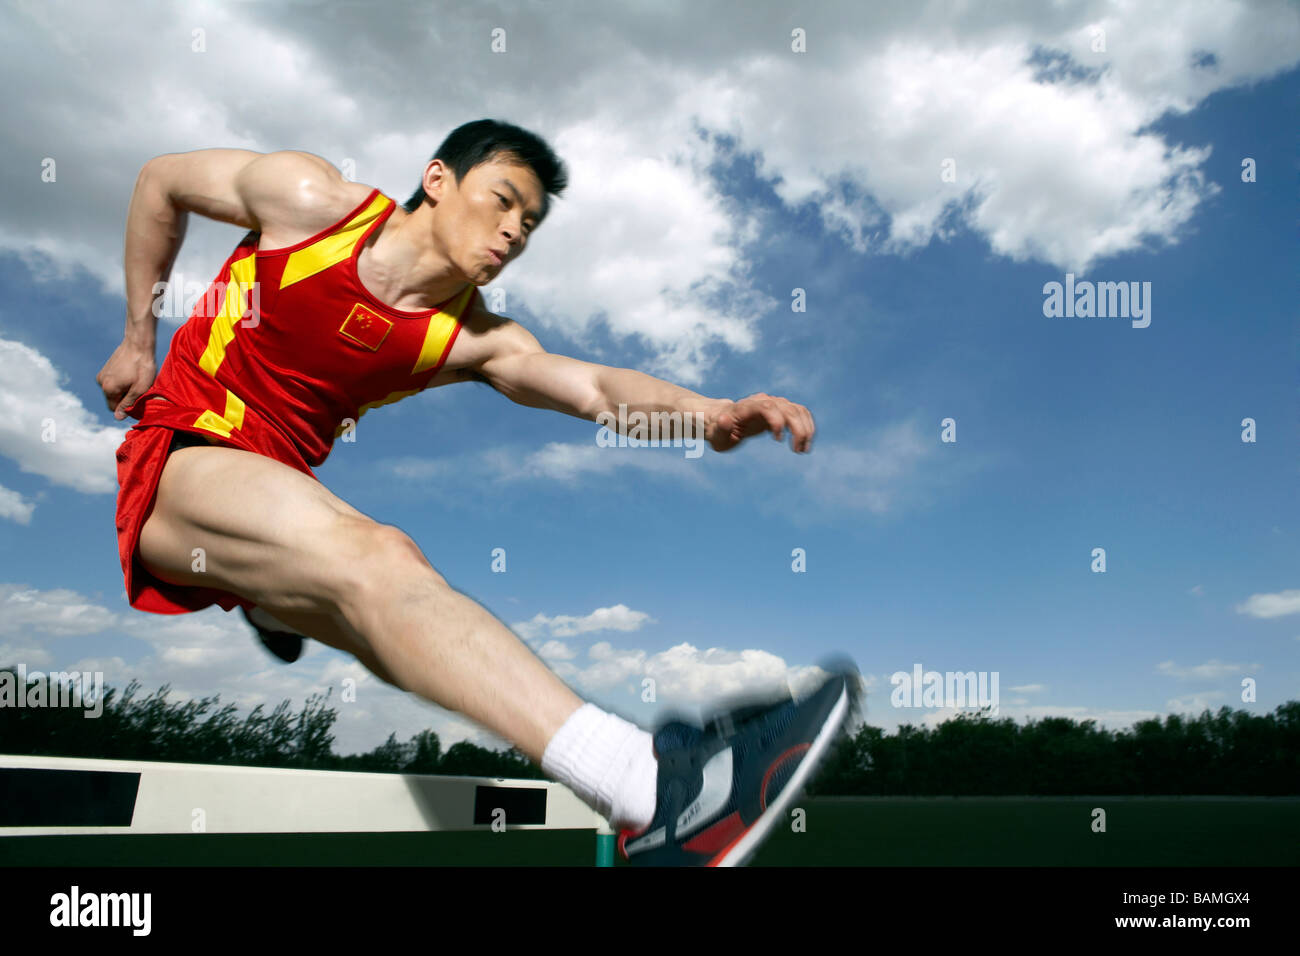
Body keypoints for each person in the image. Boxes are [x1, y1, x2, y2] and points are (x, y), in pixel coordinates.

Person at [96, 119, 858, 865]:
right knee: (379, 558)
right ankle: (655, 788)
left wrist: (712, 415)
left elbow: (593, 388)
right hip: (186, 453)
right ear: (437, 179)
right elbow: (162, 180)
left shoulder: (472, 338)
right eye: (502, 200)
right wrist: (139, 338)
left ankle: (267, 600)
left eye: (529, 223)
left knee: (384, 616)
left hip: (273, 492)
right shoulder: (310, 201)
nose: (514, 231)